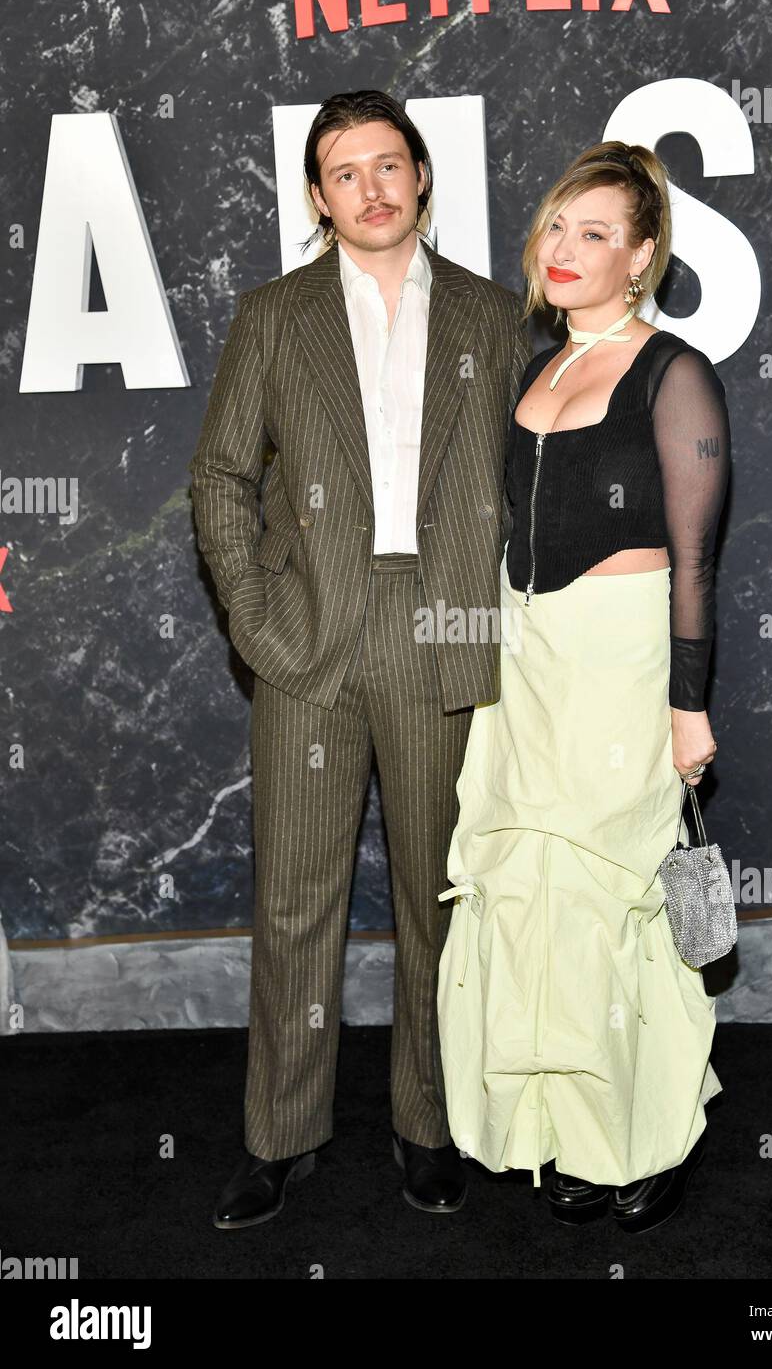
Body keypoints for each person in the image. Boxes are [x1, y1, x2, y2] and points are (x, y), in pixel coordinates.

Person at [189, 89, 533, 1229]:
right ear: (318, 195)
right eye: (347, 172)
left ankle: (426, 1125)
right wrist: (255, 612)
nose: (373, 188)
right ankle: (280, 1136)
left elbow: (535, 489)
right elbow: (221, 476)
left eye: (391, 165)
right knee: (295, 900)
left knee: (443, 900)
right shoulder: (275, 315)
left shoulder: (493, 315)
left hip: (449, 631)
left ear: (422, 177)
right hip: (312, 638)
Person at [437, 141, 731, 1231]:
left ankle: (647, 1140)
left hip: (622, 662)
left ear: (642, 255)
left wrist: (688, 702)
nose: (566, 250)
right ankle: (566, 1133)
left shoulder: (674, 371)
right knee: (528, 898)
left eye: (597, 233)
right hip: (524, 660)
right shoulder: (535, 364)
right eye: (558, 226)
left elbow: (696, 560)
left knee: (617, 899)